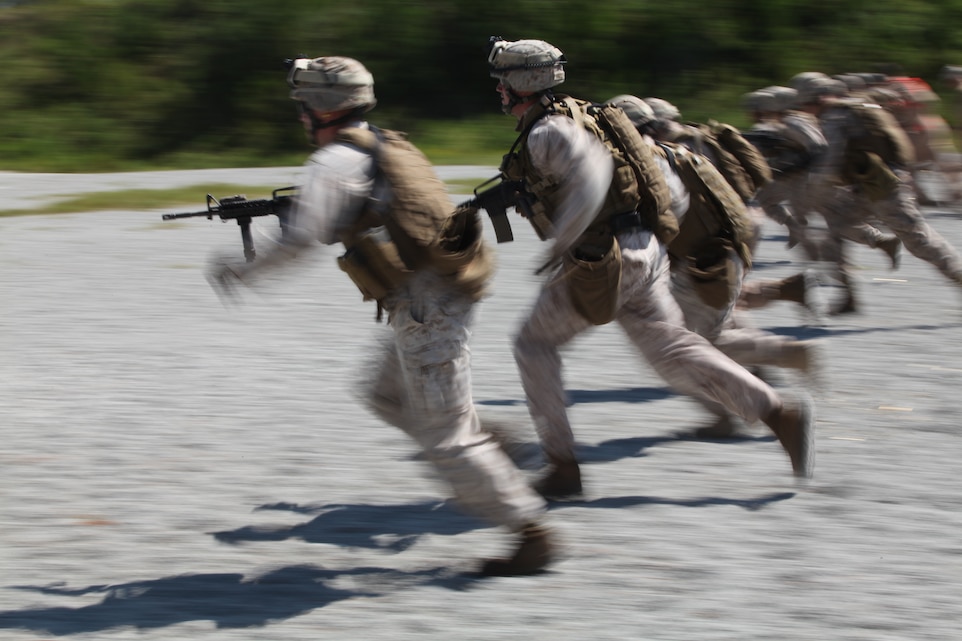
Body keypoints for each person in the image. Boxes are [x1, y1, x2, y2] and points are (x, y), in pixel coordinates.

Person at [206, 55, 554, 576]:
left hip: (425, 308)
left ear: (322, 107)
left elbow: (301, 240)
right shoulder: (384, 143)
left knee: (445, 439)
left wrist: (241, 272)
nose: (300, 116)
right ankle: (498, 448)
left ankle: (528, 529)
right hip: (433, 296)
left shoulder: (333, 164)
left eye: (304, 106)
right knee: (385, 394)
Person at [484, 36, 815, 500]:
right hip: (645, 253)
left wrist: (565, 243)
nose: (498, 90)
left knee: (533, 343)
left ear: (523, 82)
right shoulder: (589, 118)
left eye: (502, 82)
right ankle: (777, 412)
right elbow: (669, 192)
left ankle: (562, 467)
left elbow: (592, 178)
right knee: (674, 352)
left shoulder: (547, 132)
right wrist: (646, 239)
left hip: (604, 257)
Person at [609, 94, 821, 437]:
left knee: (688, 342)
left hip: (702, 247)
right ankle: (762, 370)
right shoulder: (695, 141)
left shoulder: (652, 157)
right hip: (733, 233)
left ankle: (781, 358)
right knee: (718, 312)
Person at [795, 72, 962, 312]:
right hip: (871, 185)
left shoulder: (834, 117)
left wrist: (815, 188)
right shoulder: (853, 106)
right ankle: (848, 296)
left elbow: (832, 159)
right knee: (835, 232)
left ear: (811, 99)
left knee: (919, 241)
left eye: (803, 103)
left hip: (881, 186)